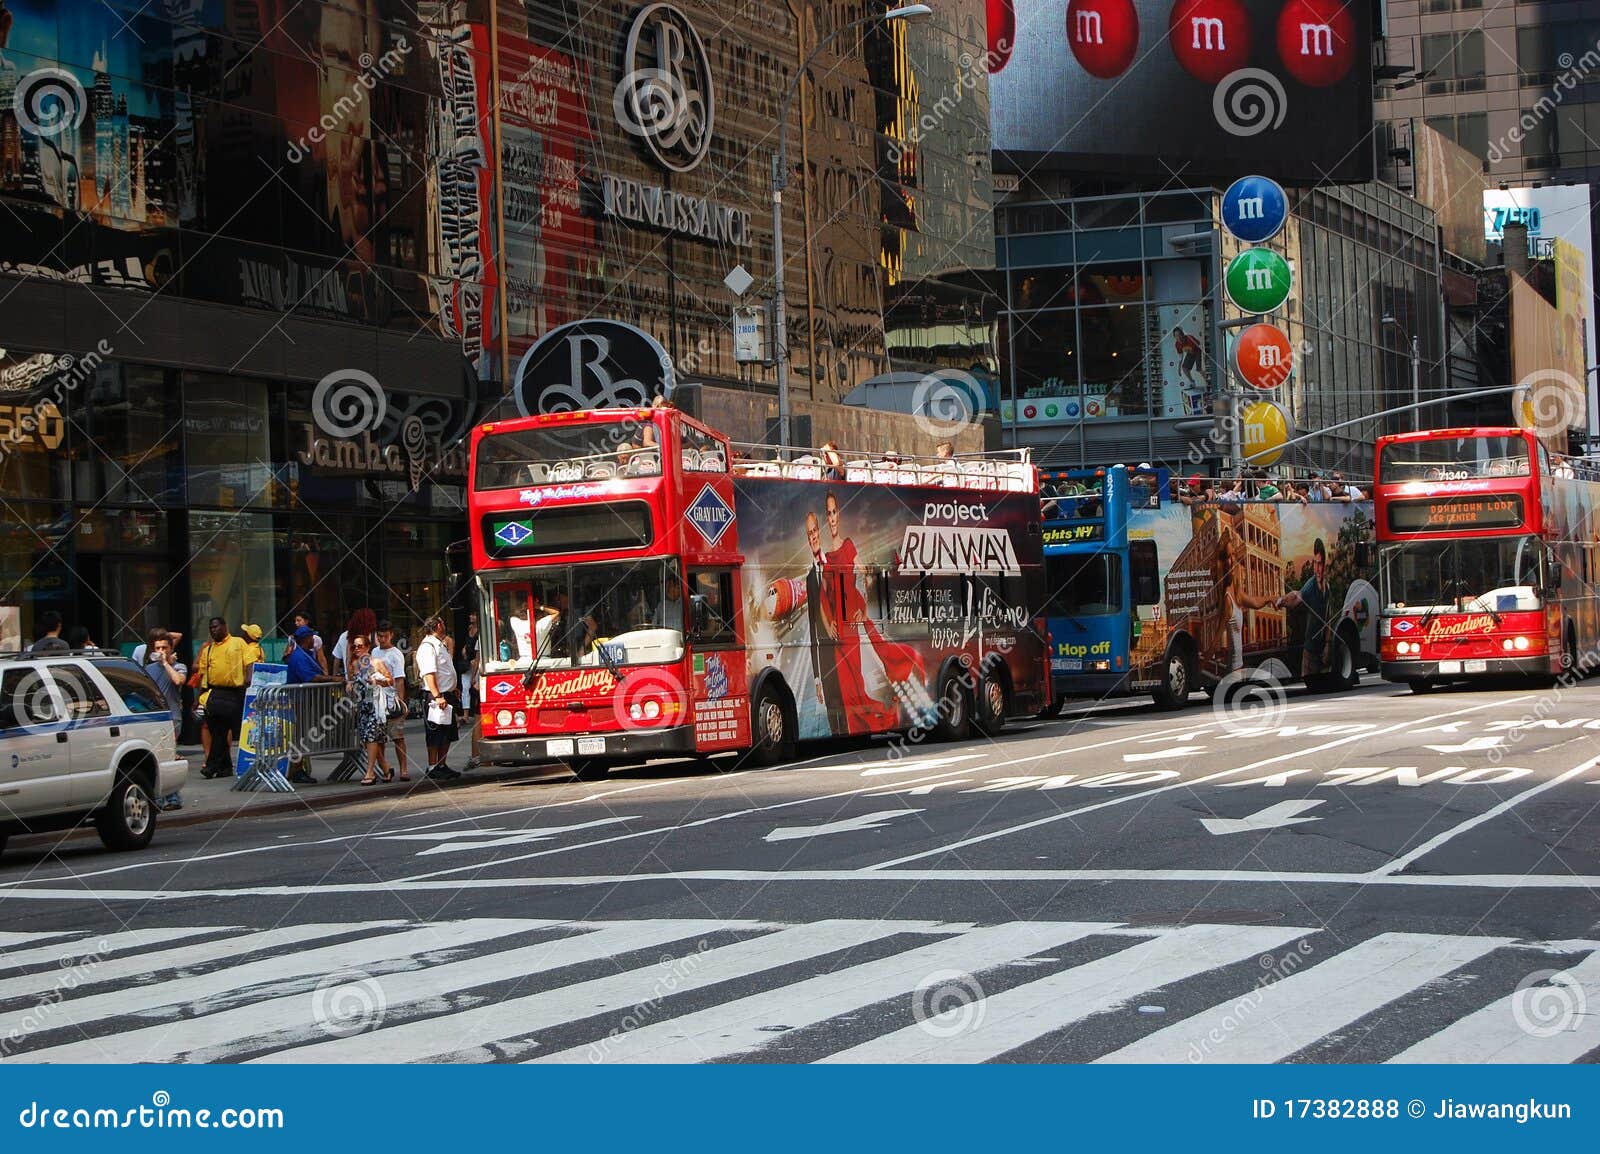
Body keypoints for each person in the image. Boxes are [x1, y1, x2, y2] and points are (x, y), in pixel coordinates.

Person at [198, 616, 253, 778]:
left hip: (233, 692)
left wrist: (249, 678)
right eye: (211, 628)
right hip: (213, 692)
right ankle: (225, 767)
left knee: (221, 728)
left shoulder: (238, 643)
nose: (213, 630)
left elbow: (249, 662)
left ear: (224, 626)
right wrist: (198, 699)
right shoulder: (208, 649)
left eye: (216, 627)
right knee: (216, 730)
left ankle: (211, 765)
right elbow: (204, 676)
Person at [285, 626, 340, 783]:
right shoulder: (298, 656)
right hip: (300, 700)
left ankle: (298, 768)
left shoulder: (306, 654)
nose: (314, 640)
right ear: (306, 639)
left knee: (303, 734)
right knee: (300, 735)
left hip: (307, 700)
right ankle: (296, 770)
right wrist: (332, 679)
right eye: (312, 637)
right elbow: (311, 678)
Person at [1277, 538, 1334, 677]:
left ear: (1324, 565)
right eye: (1315, 563)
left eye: (1319, 564)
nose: (1316, 569)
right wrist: (1282, 600)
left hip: (1321, 650)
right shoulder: (1311, 584)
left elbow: (1328, 619)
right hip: (1309, 652)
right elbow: (1297, 596)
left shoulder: (1327, 587)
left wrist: (1327, 645)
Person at [143, 629, 187, 810]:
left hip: (172, 719)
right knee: (160, 759)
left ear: (171, 648)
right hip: (154, 719)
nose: (161, 650)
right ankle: (165, 798)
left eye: (164, 647)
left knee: (167, 757)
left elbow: (178, 681)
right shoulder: (148, 669)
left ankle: (172, 798)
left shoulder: (178, 666)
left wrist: (166, 663)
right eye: (158, 647)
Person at [416, 615, 461, 780]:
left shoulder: (440, 644)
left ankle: (442, 764)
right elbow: (429, 673)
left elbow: (445, 670)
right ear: (437, 626)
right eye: (442, 622)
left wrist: (453, 688)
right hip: (436, 695)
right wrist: (437, 696)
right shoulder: (428, 646)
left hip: (446, 693)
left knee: (447, 732)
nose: (444, 625)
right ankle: (432, 765)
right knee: (435, 731)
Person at [347, 635, 393, 786]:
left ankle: (370, 772)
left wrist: (377, 681)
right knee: (368, 740)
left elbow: (389, 680)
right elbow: (354, 681)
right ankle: (386, 768)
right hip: (363, 706)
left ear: (368, 647)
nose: (357, 649)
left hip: (376, 705)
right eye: (355, 646)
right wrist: (350, 683)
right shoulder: (355, 664)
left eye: (360, 646)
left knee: (371, 738)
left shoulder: (376, 662)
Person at [370, 620, 411, 782]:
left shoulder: (396, 654)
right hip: (378, 699)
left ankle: (404, 769)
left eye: (385, 636)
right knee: (379, 738)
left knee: (397, 737)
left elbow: (399, 680)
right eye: (379, 636)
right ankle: (385, 769)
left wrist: (401, 702)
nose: (381, 639)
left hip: (392, 698)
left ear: (391, 635)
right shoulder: (374, 652)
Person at [457, 614, 482, 771]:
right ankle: (476, 756)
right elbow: (477, 659)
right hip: (483, 681)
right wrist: (474, 678)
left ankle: (476, 756)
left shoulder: (480, 637)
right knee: (479, 718)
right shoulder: (480, 638)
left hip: (482, 680)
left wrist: (474, 678)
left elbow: (477, 659)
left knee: (480, 719)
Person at [331, 608, 377, 676]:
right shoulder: (373, 637)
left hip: (354, 679)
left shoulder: (346, 636)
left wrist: (335, 676)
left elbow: (338, 659)